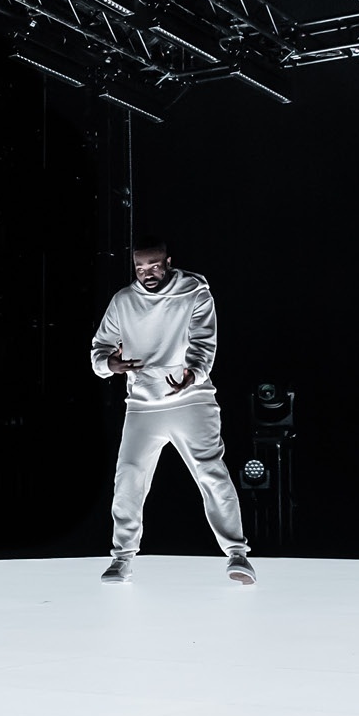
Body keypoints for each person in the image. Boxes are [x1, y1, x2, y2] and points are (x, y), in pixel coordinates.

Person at [90, 237, 253, 585]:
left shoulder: (194, 291)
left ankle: (238, 555)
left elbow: (203, 340)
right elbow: (100, 347)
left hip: (191, 400)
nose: (146, 273)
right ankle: (121, 559)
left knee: (211, 473)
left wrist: (192, 374)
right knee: (129, 477)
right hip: (142, 405)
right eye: (139, 268)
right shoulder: (123, 301)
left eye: (153, 266)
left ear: (167, 262)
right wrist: (110, 363)